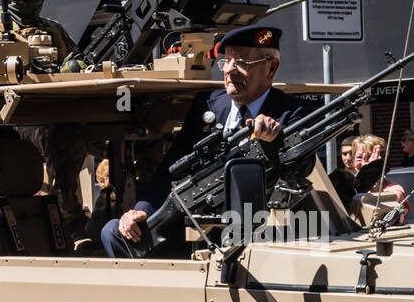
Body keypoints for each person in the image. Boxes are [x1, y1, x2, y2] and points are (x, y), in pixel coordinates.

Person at [102, 24, 303, 256]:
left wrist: (272, 141)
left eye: (242, 63)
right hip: (192, 224)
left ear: (272, 68)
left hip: (254, 231)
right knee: (113, 232)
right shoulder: (207, 104)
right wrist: (142, 209)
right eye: (226, 61)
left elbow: (301, 166)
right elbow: (173, 165)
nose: (230, 70)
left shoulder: (291, 113)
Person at [0, 0, 88, 241]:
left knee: (137, 129)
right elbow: (1, 84)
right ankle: (69, 224)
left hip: (64, 109)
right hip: (15, 118)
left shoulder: (54, 30)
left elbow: (81, 63)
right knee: (61, 137)